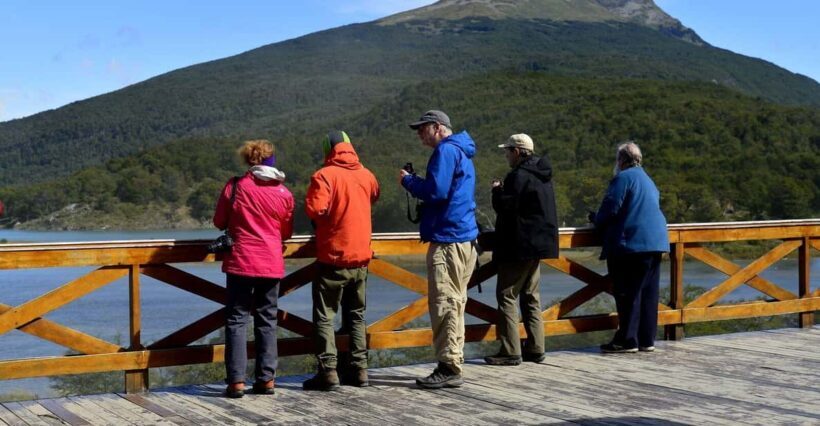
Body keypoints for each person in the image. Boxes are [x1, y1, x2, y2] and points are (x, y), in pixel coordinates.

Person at [400, 110, 478, 389]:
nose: (419, 134)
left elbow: (436, 191)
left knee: (444, 303)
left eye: (422, 129)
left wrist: (409, 181)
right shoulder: (462, 151)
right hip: (464, 238)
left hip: (447, 240)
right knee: (456, 303)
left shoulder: (446, 152)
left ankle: (448, 366)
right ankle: (453, 361)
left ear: (437, 127)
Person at [213, 140, 294, 398]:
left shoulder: (236, 186)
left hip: (241, 261)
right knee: (267, 319)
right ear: (272, 160)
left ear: (249, 161)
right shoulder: (284, 194)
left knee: (237, 320)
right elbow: (287, 232)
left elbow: (219, 222)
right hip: (271, 263)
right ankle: (266, 379)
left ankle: (236, 382)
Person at [303, 130, 380, 391]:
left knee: (325, 317)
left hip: (333, 258)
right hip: (361, 259)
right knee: (357, 316)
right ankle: (359, 370)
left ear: (328, 150)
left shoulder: (323, 176)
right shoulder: (367, 174)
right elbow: (375, 195)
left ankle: (328, 372)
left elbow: (315, 209)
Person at [484, 134, 558, 366]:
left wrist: (497, 190)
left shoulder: (518, 176)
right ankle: (536, 348)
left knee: (506, 295)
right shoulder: (543, 176)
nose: (505, 154)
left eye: (507, 150)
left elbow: (505, 207)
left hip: (518, 246)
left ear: (517, 151)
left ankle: (510, 351)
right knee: (530, 297)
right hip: (539, 246)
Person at [590, 141, 669, 353]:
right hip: (656, 242)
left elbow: (611, 207)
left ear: (622, 160)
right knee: (648, 293)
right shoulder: (648, 180)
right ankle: (646, 340)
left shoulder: (623, 178)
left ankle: (627, 340)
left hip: (631, 243)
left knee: (627, 292)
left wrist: (597, 220)